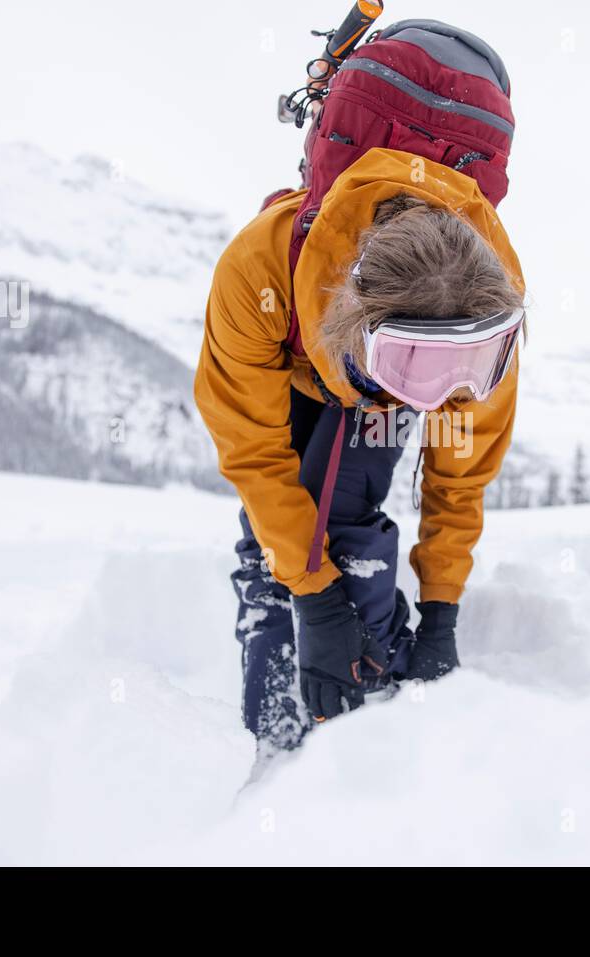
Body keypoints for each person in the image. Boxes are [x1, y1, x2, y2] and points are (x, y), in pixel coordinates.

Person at [194, 148, 525, 753]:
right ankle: (278, 726)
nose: (434, 403)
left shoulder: (479, 316)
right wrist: (315, 601)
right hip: (296, 356)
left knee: (340, 515)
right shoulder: (258, 270)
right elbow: (256, 457)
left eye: (451, 376)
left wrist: (441, 614)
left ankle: (367, 724)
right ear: (357, 322)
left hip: (377, 367)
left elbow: (459, 480)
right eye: (417, 374)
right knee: (279, 528)